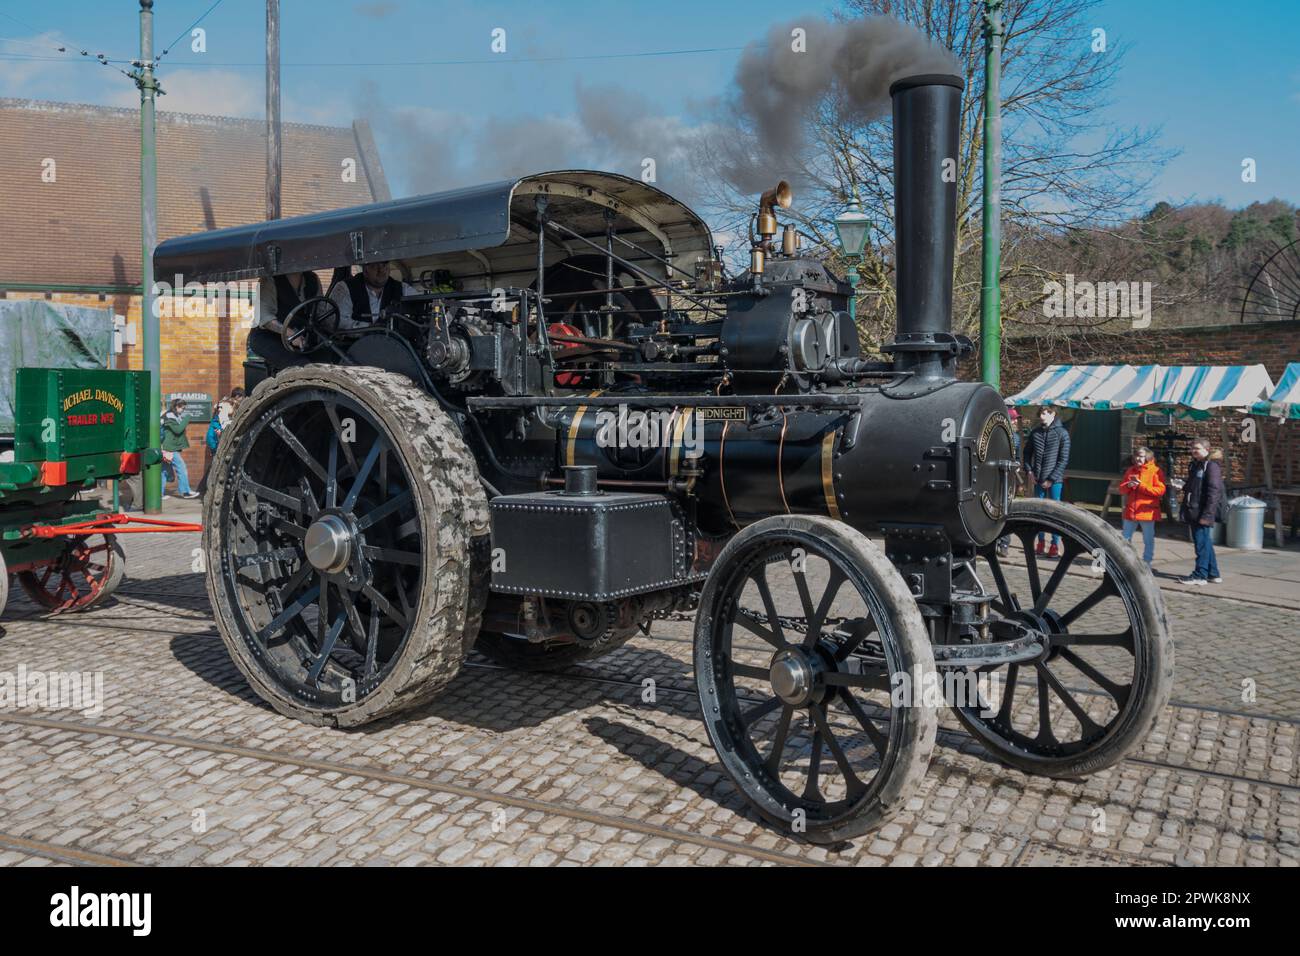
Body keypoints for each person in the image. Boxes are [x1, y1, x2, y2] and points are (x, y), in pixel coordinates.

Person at [1022, 406, 1071, 556]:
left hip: (1054, 480)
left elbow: (1063, 460)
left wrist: (1051, 479)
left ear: (1053, 414)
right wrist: (1029, 471)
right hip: (1037, 479)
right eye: (1040, 413)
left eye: (1044, 413)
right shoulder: (1035, 432)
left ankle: (1055, 545)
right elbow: (1027, 452)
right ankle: (1040, 542)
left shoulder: (1062, 433)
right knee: (1039, 513)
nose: (1041, 416)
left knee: (1055, 513)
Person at [250, 271, 324, 369]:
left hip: (301, 339)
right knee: (302, 365)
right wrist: (291, 334)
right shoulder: (269, 280)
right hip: (269, 338)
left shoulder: (313, 279)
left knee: (326, 360)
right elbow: (265, 318)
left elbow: (320, 310)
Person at [1180, 439, 1226, 585]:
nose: (1194, 451)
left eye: (1197, 448)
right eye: (1192, 448)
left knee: (1201, 544)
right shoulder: (1196, 465)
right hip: (1194, 509)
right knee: (1205, 543)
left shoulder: (1211, 466)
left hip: (1202, 512)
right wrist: (1183, 486)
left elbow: (1214, 492)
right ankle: (1213, 573)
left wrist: (1207, 515)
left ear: (1207, 449)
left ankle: (1200, 575)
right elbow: (1196, 487)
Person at [328, 261, 416, 330]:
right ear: (365, 270)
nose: (381, 270)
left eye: (384, 265)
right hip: (352, 348)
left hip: (394, 347)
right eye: (375, 266)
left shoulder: (402, 288)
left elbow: (422, 301)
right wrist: (368, 328)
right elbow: (335, 321)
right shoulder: (345, 288)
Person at [1120, 445, 1165, 566]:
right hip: (1131, 511)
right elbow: (1122, 490)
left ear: (1147, 457)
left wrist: (1141, 486)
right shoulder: (1130, 470)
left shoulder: (1156, 471)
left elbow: (1160, 491)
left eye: (1141, 456)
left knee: (1148, 540)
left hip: (1147, 512)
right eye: (1136, 456)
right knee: (1125, 539)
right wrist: (1129, 486)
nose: (1138, 459)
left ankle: (1147, 562)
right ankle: (1126, 561)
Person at [996, 406, 1022, 557]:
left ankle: (1004, 543)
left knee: (1006, 509)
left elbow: (1017, 458)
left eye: (1014, 419)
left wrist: (1016, 466)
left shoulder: (1016, 438)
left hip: (1008, 478)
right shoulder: (998, 434)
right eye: (1011, 418)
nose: (1013, 421)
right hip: (995, 477)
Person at [161, 398, 199, 499]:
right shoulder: (169, 416)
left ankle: (158, 494)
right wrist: (187, 418)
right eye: (182, 408)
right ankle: (185, 492)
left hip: (167, 447)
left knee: (164, 471)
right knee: (181, 468)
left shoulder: (173, 415)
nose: (183, 410)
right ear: (177, 406)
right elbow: (178, 430)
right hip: (169, 448)